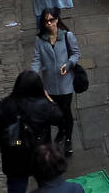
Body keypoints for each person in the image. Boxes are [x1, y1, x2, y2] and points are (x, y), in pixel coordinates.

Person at [0, 70, 63, 193]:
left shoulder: (6, 104)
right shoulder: (43, 106)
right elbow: (58, 117)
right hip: (39, 154)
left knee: (16, 191)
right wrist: (49, 98)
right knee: (47, 186)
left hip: (14, 155)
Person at [32, 12, 81, 157]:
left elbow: (76, 54)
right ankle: (62, 129)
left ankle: (68, 139)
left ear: (57, 20)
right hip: (50, 84)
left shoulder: (67, 36)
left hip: (65, 83)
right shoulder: (40, 40)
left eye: (51, 20)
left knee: (65, 111)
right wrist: (33, 76)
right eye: (45, 21)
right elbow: (36, 60)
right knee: (55, 113)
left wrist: (69, 64)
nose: (48, 24)